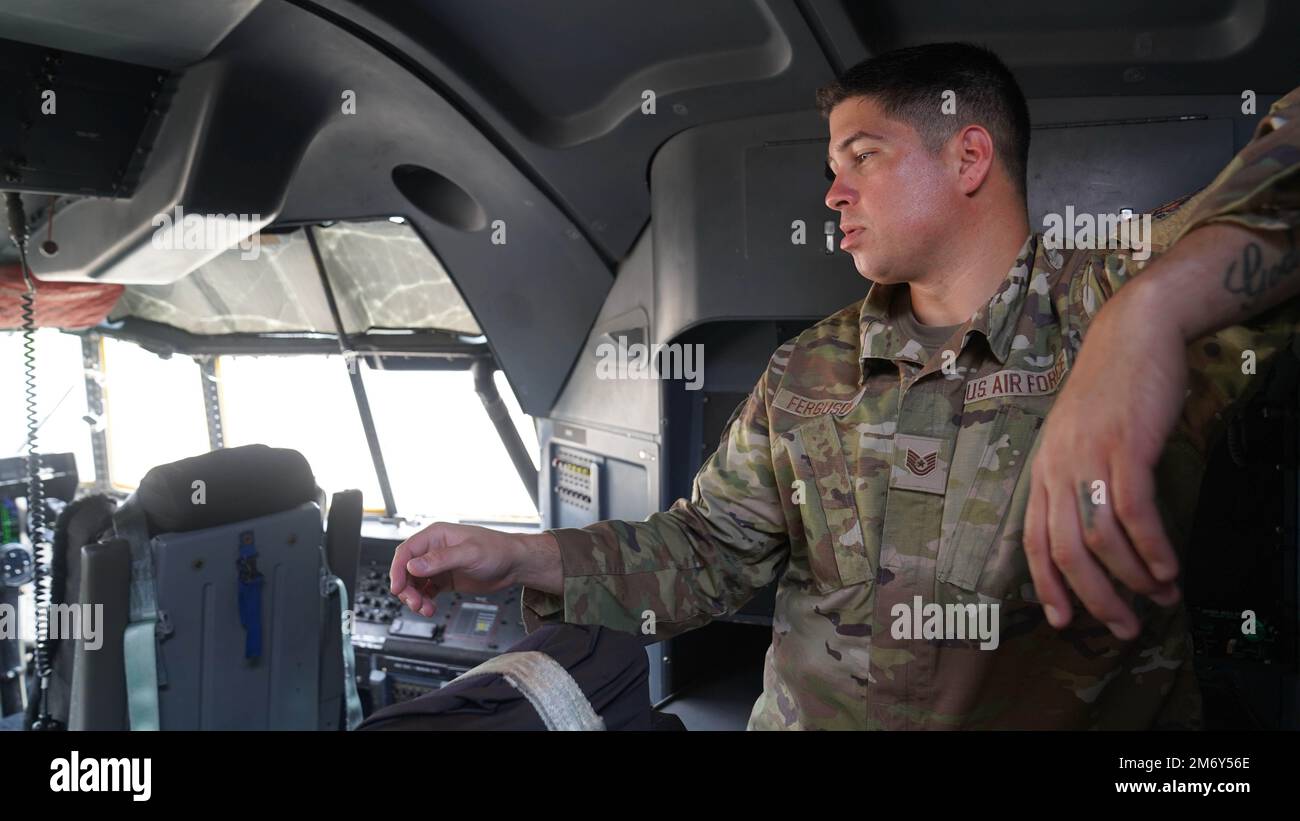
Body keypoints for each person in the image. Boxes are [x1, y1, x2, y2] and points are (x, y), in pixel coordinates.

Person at [390, 42, 1300, 729]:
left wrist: (1149, 321)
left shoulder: (1120, 291)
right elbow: (705, 551)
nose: (832, 193)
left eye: (862, 157)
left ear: (969, 157)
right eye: (832, 168)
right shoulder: (808, 370)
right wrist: (522, 557)